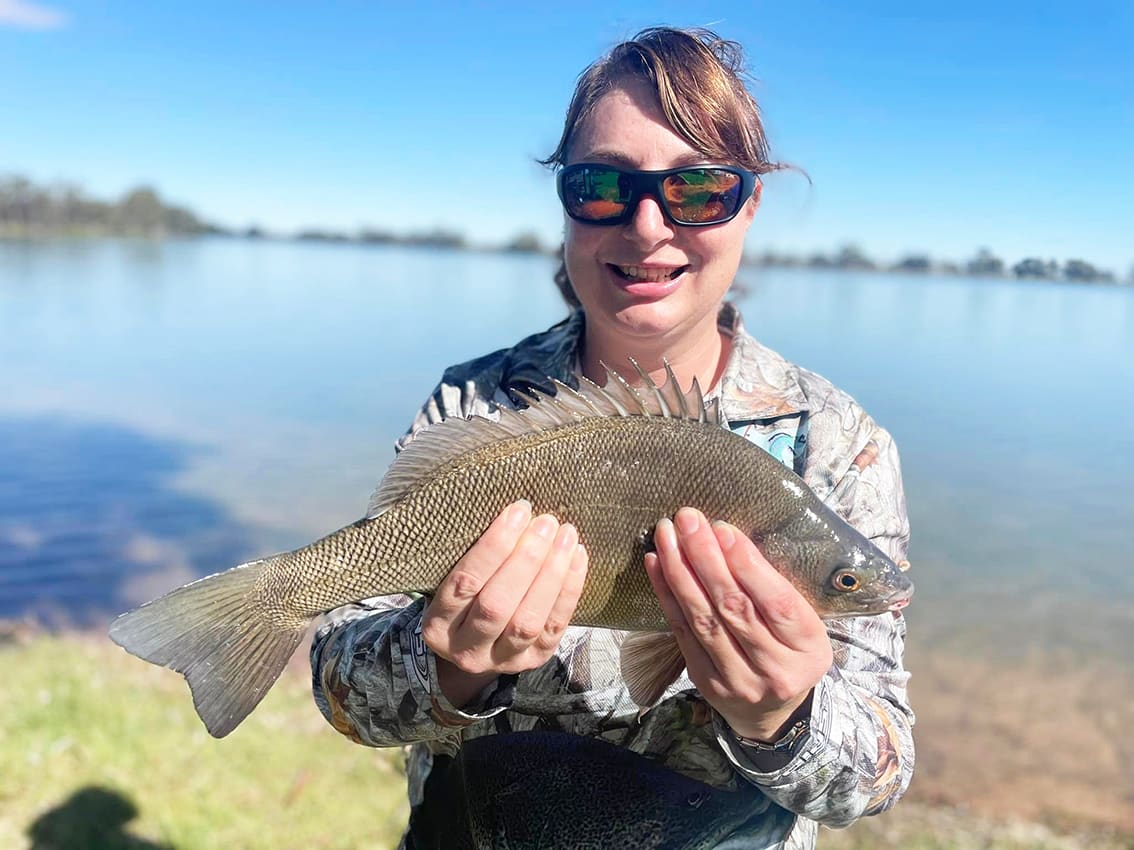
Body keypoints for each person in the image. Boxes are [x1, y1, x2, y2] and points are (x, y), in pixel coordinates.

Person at [310, 26, 913, 850]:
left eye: (699, 190)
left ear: (750, 205)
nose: (647, 225)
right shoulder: (475, 403)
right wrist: (443, 663)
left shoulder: (839, 442)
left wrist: (783, 714)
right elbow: (343, 692)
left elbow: (879, 770)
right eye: (601, 185)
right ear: (564, 199)